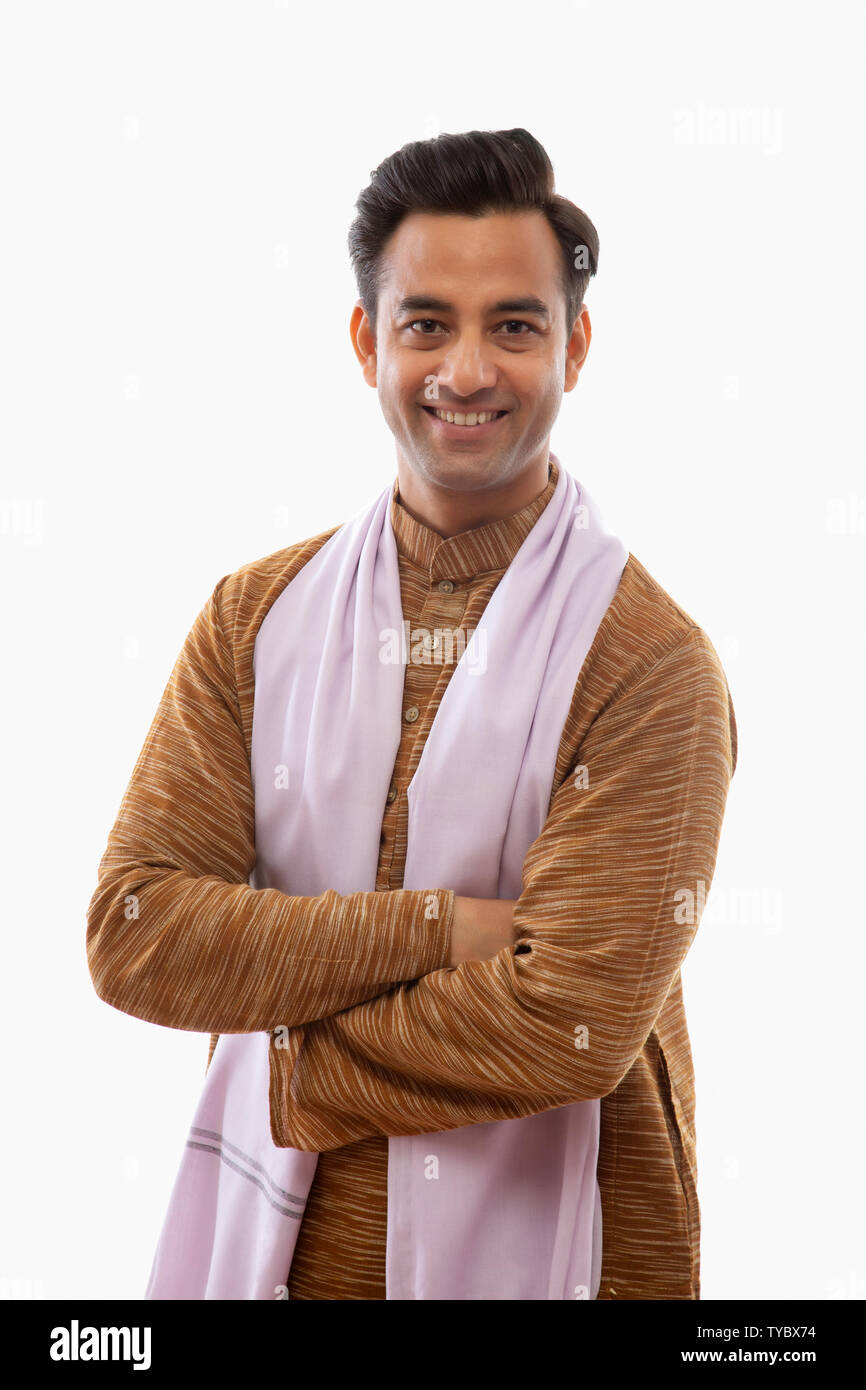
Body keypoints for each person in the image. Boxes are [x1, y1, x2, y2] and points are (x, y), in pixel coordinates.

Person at [86, 127, 737, 1300]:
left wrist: (286, 1057)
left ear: (575, 346)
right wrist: (440, 930)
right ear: (366, 341)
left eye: (515, 325)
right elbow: (136, 932)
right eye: (426, 322)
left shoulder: (649, 666)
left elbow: (565, 1021)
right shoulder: (251, 620)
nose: (468, 370)